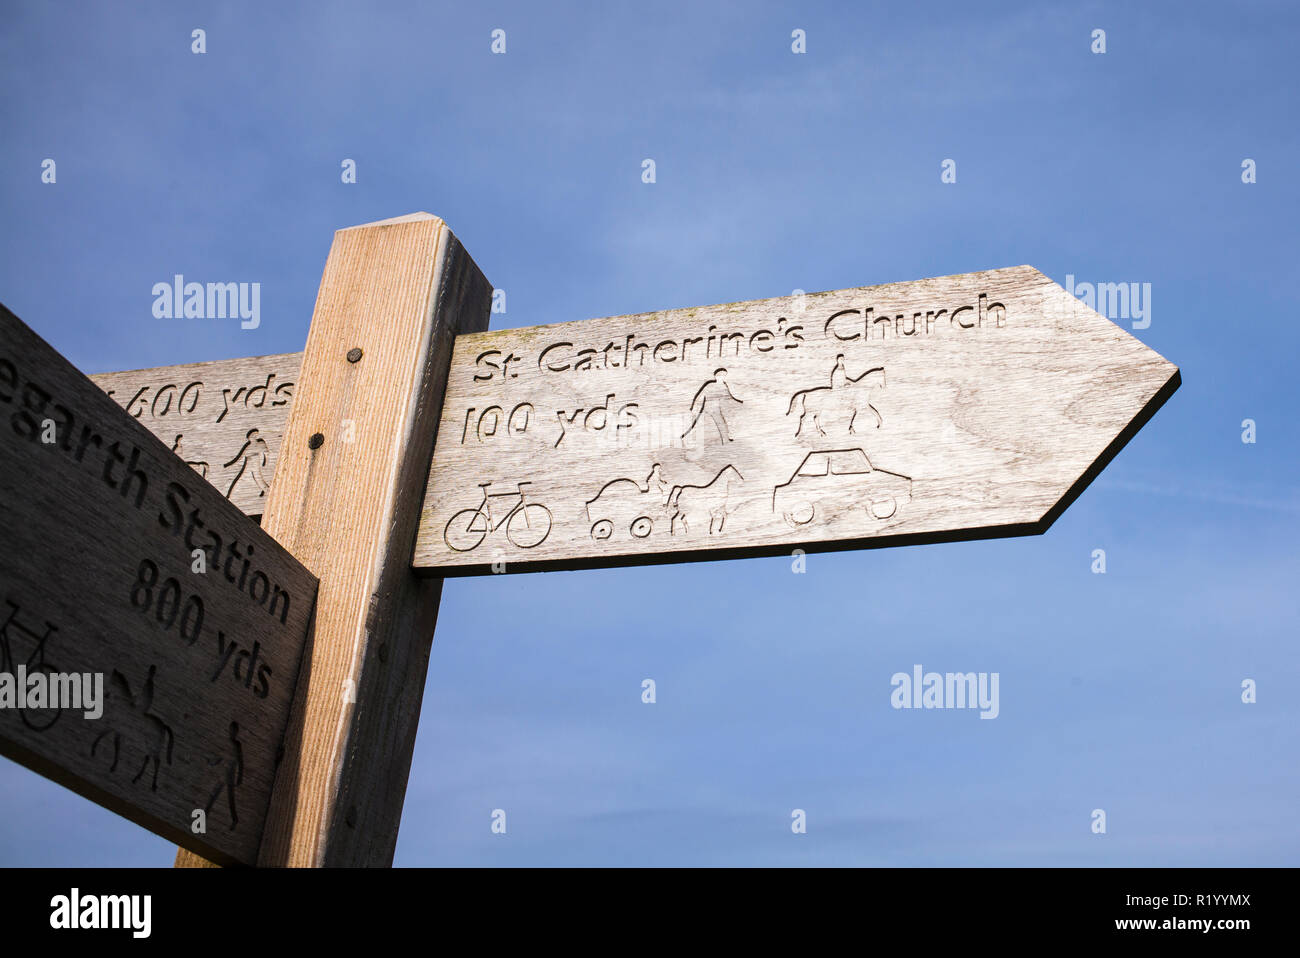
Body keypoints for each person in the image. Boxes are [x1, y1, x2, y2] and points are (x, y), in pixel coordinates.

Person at [683, 368, 743, 443]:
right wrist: (693, 406)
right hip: (707, 408)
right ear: (716, 376)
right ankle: (687, 437)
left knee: (721, 424)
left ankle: (726, 439)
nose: (724, 377)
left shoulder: (724, 386)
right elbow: (699, 395)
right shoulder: (710, 385)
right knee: (697, 424)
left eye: (725, 376)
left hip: (716, 409)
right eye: (722, 376)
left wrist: (739, 401)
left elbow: (729, 396)